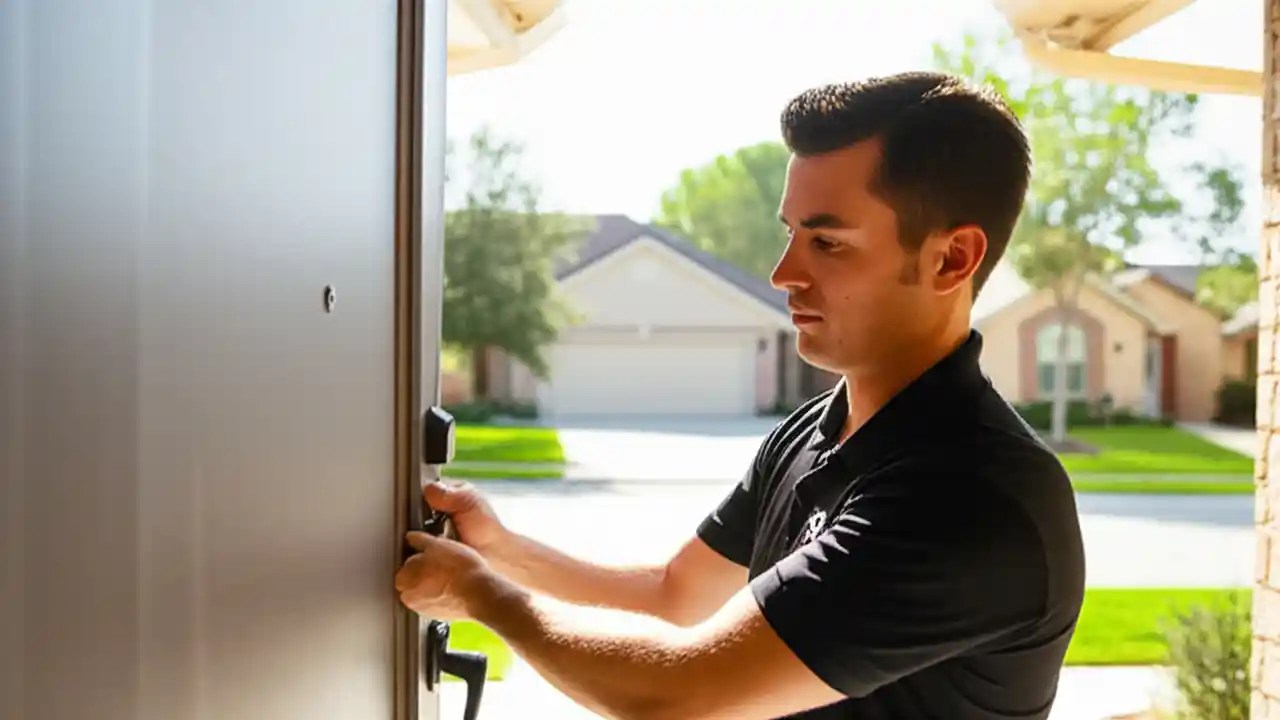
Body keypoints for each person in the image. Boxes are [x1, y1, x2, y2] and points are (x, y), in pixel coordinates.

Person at [396, 71, 1086, 719]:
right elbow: (675, 594)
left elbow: (677, 697)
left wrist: (483, 596)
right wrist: (501, 551)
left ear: (951, 259)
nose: (784, 273)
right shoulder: (813, 430)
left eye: (827, 242)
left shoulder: (974, 496)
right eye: (792, 234)